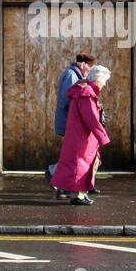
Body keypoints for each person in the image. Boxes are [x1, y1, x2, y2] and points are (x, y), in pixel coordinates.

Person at [49, 64, 111, 205]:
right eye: (104, 81)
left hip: (80, 136)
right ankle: (78, 196)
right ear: (98, 80)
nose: (104, 85)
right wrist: (104, 137)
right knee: (80, 165)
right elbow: (91, 119)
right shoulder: (87, 93)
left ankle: (81, 193)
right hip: (82, 137)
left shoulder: (84, 91)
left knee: (83, 164)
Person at [45, 53, 95, 191]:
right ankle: (54, 173)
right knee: (71, 156)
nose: (89, 71)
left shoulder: (74, 75)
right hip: (68, 122)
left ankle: (60, 180)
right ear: (83, 64)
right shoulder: (71, 76)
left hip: (70, 122)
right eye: (89, 67)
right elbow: (67, 100)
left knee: (71, 155)